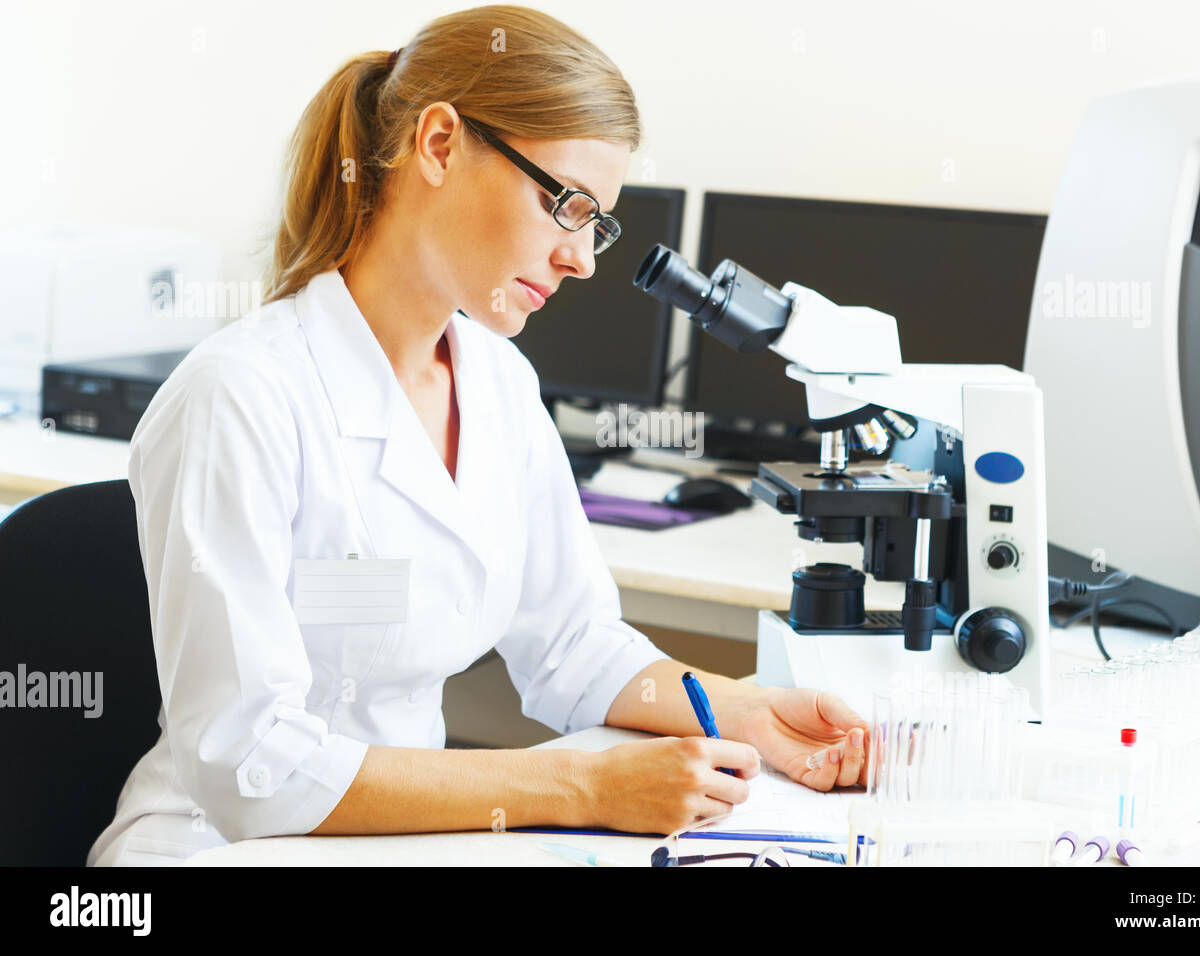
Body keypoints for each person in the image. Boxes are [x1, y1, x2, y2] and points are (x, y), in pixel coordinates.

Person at [88, 4, 870, 867]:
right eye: (566, 205)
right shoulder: (241, 396)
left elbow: (572, 646)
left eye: (598, 223)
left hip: (403, 845)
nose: (584, 259)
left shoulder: (497, 383)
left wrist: (741, 710)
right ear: (437, 144)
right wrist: (585, 790)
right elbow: (250, 765)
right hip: (214, 853)